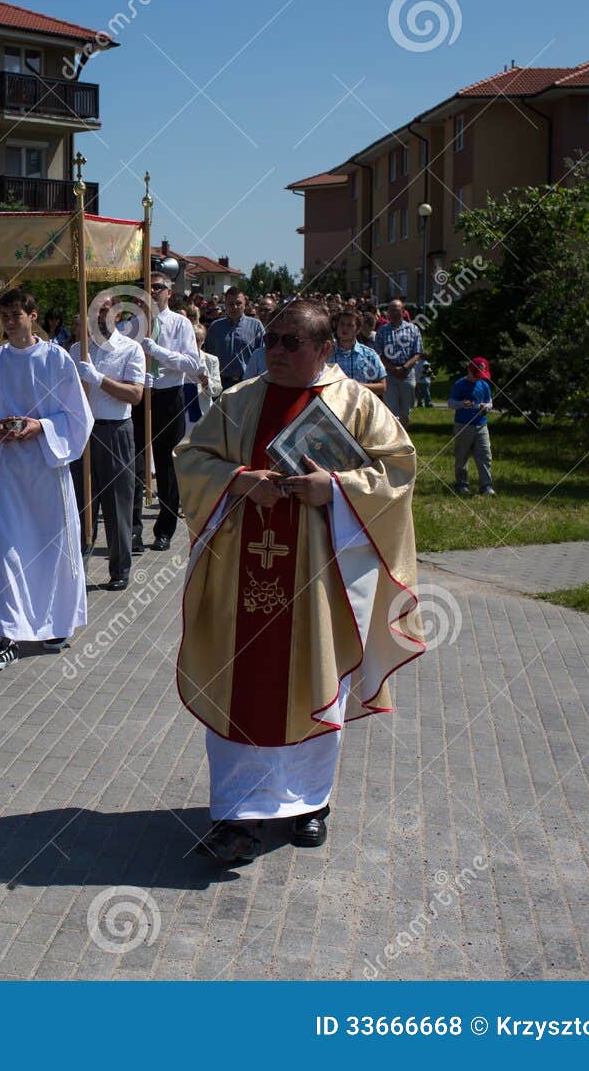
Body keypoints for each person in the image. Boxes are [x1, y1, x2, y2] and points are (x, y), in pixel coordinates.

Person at [172, 297, 424, 866]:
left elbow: (399, 468)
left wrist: (333, 489)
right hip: (243, 572)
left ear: (325, 349)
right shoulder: (240, 401)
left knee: (316, 677)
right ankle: (235, 816)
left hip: (320, 576)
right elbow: (190, 457)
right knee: (241, 685)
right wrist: (240, 479)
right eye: (272, 340)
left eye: (292, 342)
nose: (277, 352)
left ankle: (311, 804)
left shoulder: (356, 403)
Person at [0, 288, 93, 671]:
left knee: (49, 549)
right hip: (7, 471)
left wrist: (43, 426)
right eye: (4, 315)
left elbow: (78, 418)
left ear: (32, 315)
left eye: (16, 314)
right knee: (7, 550)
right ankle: (8, 635)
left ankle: (54, 623)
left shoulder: (57, 360)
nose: (9, 321)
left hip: (46, 471)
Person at [72, 298, 146, 592]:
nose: (99, 316)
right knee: (81, 504)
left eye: (104, 311)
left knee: (117, 504)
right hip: (83, 432)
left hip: (115, 431)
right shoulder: (78, 349)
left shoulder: (130, 348)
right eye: (94, 311)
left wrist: (99, 379)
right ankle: (78, 566)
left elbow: (135, 394)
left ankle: (119, 569)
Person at [134, 273, 203, 552]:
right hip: (140, 394)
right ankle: (133, 530)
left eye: (157, 287)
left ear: (168, 293)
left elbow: (192, 363)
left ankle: (165, 529)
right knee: (136, 464)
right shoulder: (132, 323)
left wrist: (158, 352)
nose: (151, 291)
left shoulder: (180, 323)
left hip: (169, 395)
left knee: (166, 466)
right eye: (146, 287)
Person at [449, 356, 495, 496]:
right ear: (469, 371)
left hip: (481, 425)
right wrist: (462, 404)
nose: (479, 378)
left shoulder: (484, 385)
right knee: (462, 455)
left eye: (481, 375)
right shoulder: (460, 384)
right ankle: (462, 484)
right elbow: (451, 403)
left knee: (485, 455)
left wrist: (485, 407)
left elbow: (490, 403)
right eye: (476, 375)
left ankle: (486, 486)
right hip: (463, 425)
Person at [374, 299, 423, 428]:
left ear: (403, 311)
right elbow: (378, 354)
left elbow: (417, 353)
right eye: (391, 310)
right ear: (388, 313)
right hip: (389, 375)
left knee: (405, 412)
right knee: (391, 411)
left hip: (408, 374)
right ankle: (394, 441)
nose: (394, 313)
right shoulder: (382, 331)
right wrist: (393, 369)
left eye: (397, 310)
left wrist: (404, 368)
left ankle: (404, 435)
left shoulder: (413, 329)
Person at [207, 287, 266, 388]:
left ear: (245, 304)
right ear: (225, 304)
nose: (234, 307)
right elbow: (208, 356)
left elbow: (263, 356)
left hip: (247, 385)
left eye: (238, 303)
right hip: (220, 385)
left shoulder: (256, 326)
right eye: (230, 304)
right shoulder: (215, 327)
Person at [330, 309, 386, 397]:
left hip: (361, 407)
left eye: (350, 325)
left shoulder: (369, 355)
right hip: (332, 406)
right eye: (342, 324)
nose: (344, 328)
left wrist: (357, 387)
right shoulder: (326, 354)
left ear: (358, 329)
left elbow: (382, 387)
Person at [193, 324, 223, 420]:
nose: (193, 343)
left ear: (203, 341)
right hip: (182, 411)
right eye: (191, 339)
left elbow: (217, 390)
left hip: (203, 411)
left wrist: (206, 383)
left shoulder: (212, 360)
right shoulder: (179, 359)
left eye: (197, 340)